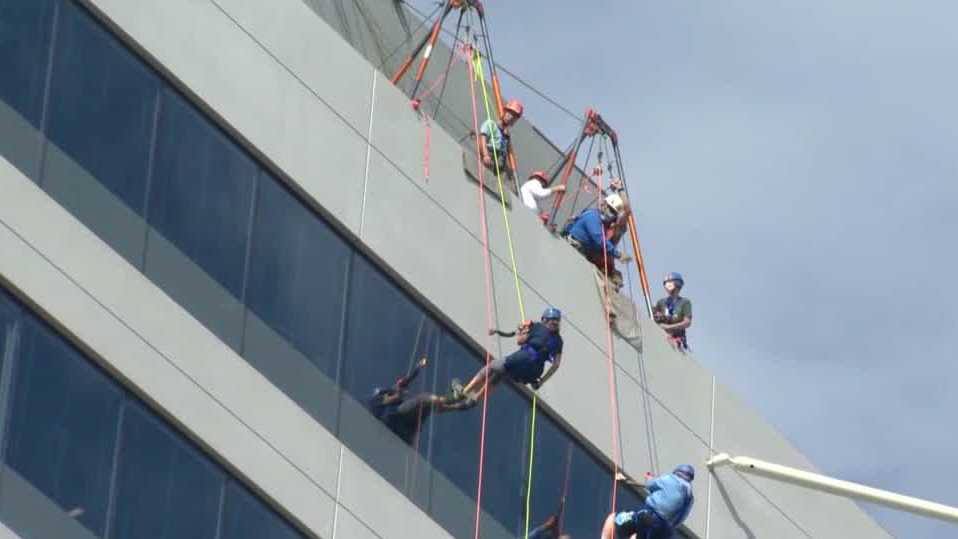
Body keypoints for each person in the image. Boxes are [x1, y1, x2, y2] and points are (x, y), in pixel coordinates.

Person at [448, 307, 564, 408]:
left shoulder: (538, 326)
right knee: (501, 374)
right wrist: (541, 382)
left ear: (544, 319)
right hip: (535, 372)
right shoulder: (559, 341)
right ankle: (476, 399)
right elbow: (556, 365)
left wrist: (522, 331)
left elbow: (520, 341)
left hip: (524, 357)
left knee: (492, 366)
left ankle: (464, 392)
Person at [368, 358, 467, 445]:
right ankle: (453, 399)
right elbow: (392, 398)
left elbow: (409, 379)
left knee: (428, 406)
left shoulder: (392, 392)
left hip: (403, 425)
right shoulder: (381, 397)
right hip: (395, 417)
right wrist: (399, 393)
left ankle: (458, 404)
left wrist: (418, 367)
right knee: (423, 399)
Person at [601, 465, 695, 539]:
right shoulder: (690, 498)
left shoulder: (670, 478)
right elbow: (681, 519)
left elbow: (650, 484)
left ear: (677, 472)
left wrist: (649, 477)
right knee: (636, 536)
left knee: (614, 519)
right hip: (665, 531)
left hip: (649, 516)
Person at [566, 193, 632, 287]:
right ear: (604, 205)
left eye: (613, 212)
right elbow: (599, 240)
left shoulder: (602, 224)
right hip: (574, 246)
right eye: (610, 209)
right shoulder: (593, 217)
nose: (610, 213)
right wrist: (618, 254)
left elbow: (626, 214)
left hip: (583, 252)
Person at [480, 99, 523, 172]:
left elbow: (505, 155)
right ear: (504, 112)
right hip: (488, 159)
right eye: (510, 113)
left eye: (514, 117)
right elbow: (482, 139)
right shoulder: (491, 124)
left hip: (496, 167)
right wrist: (485, 155)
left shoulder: (506, 137)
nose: (511, 117)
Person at [653, 273, 692, 351]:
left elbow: (687, 322)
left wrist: (669, 327)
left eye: (670, 283)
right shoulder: (661, 302)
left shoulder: (684, 302)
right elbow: (653, 317)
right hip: (661, 335)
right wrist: (657, 316)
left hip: (677, 338)